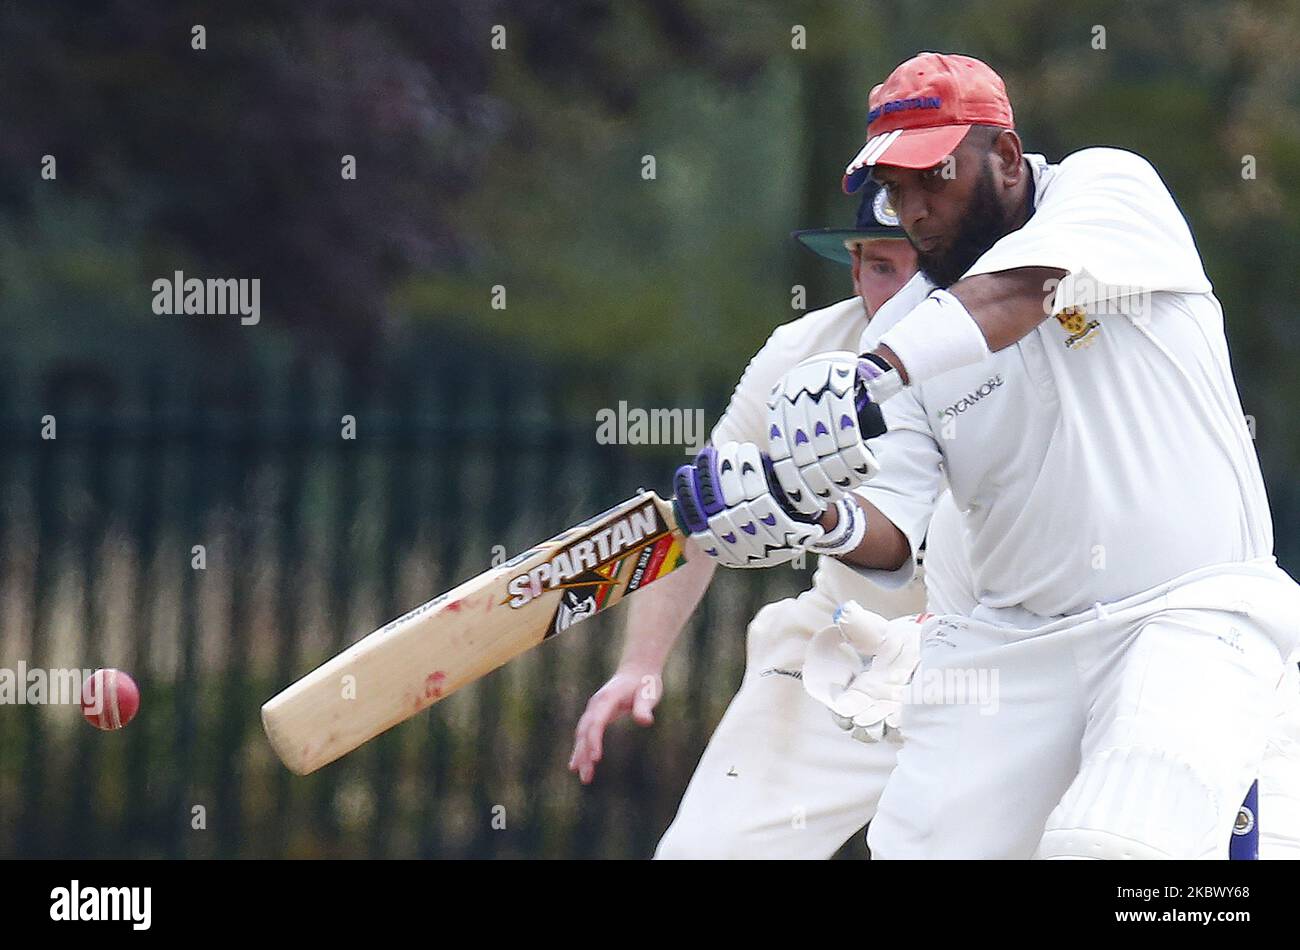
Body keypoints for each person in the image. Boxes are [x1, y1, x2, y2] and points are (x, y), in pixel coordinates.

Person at [677, 51, 1300, 858]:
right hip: (1010, 648)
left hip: (1188, 610)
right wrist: (809, 516)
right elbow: (894, 529)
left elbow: (1019, 294)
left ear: (1004, 156)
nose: (914, 210)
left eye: (933, 176)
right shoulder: (904, 330)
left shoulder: (1108, 189)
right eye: (896, 190)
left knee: (1108, 846)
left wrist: (873, 373)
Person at [567, 181, 930, 857]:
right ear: (854, 267)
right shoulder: (803, 352)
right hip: (848, 651)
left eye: (928, 266)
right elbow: (703, 512)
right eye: (883, 267)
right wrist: (640, 662)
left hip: (1002, 656)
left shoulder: (1024, 348)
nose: (906, 293)